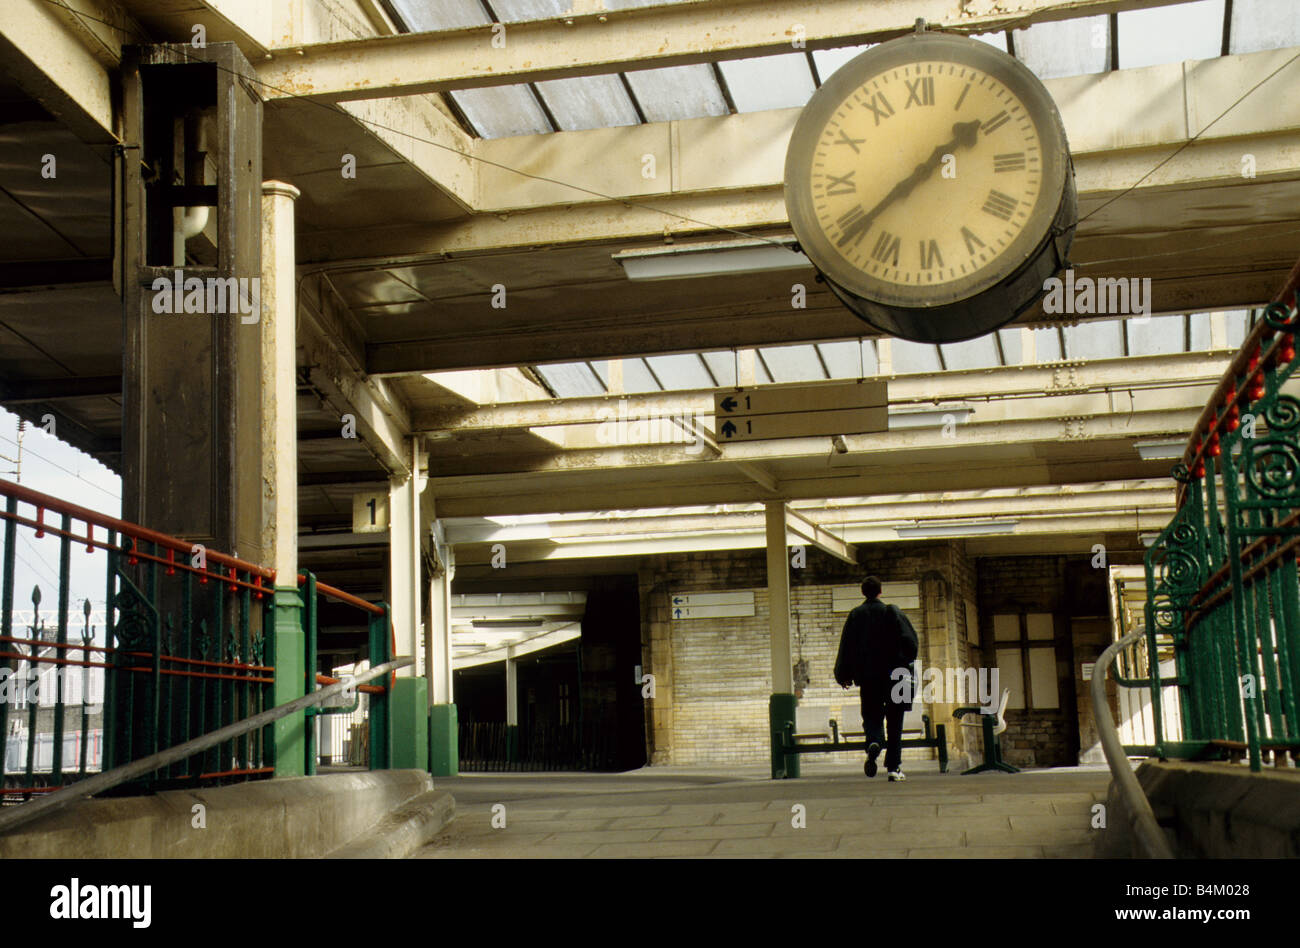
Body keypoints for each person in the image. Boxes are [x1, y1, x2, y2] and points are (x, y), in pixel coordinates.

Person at [833, 576, 919, 781]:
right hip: (896, 677)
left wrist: (843, 675)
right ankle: (893, 768)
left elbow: (847, 647)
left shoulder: (856, 615)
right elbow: (911, 643)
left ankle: (874, 741)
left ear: (863, 593)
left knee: (871, 715)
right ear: (881, 592)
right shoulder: (892, 612)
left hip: (869, 677)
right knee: (895, 721)